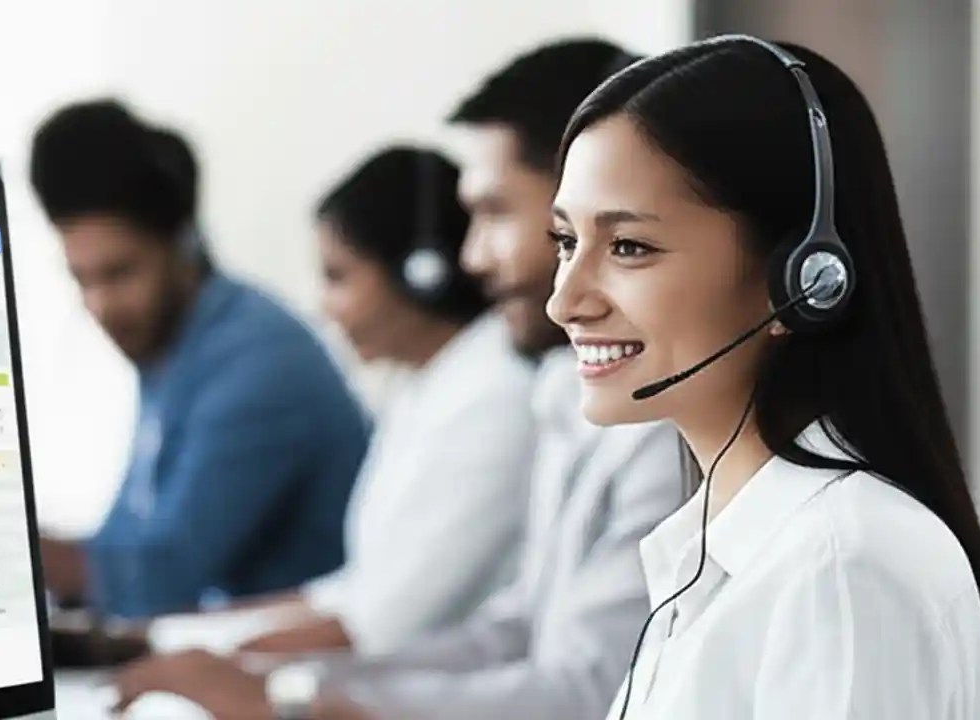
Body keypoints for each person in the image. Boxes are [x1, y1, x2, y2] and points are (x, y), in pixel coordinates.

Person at [112, 38, 685, 720]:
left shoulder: (627, 424)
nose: (472, 257)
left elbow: (580, 694)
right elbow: (514, 633)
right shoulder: (561, 394)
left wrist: (285, 702)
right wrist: (284, 685)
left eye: (498, 213)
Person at [544, 35, 980, 719]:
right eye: (567, 243)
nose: (565, 301)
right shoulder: (731, 551)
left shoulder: (840, 568)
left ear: (806, 278)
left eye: (629, 247)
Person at [28, 100, 370, 620]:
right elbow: (129, 535)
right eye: (81, 279)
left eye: (120, 274)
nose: (101, 308)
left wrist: (7, 547)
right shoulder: (170, 351)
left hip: (301, 675)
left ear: (184, 244)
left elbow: (166, 573)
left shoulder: (259, 358)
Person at [230, 146, 538, 655]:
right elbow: (352, 592)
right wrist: (171, 635)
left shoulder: (496, 397)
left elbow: (377, 627)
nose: (324, 307)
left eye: (338, 276)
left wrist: (207, 658)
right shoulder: (430, 383)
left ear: (421, 270)